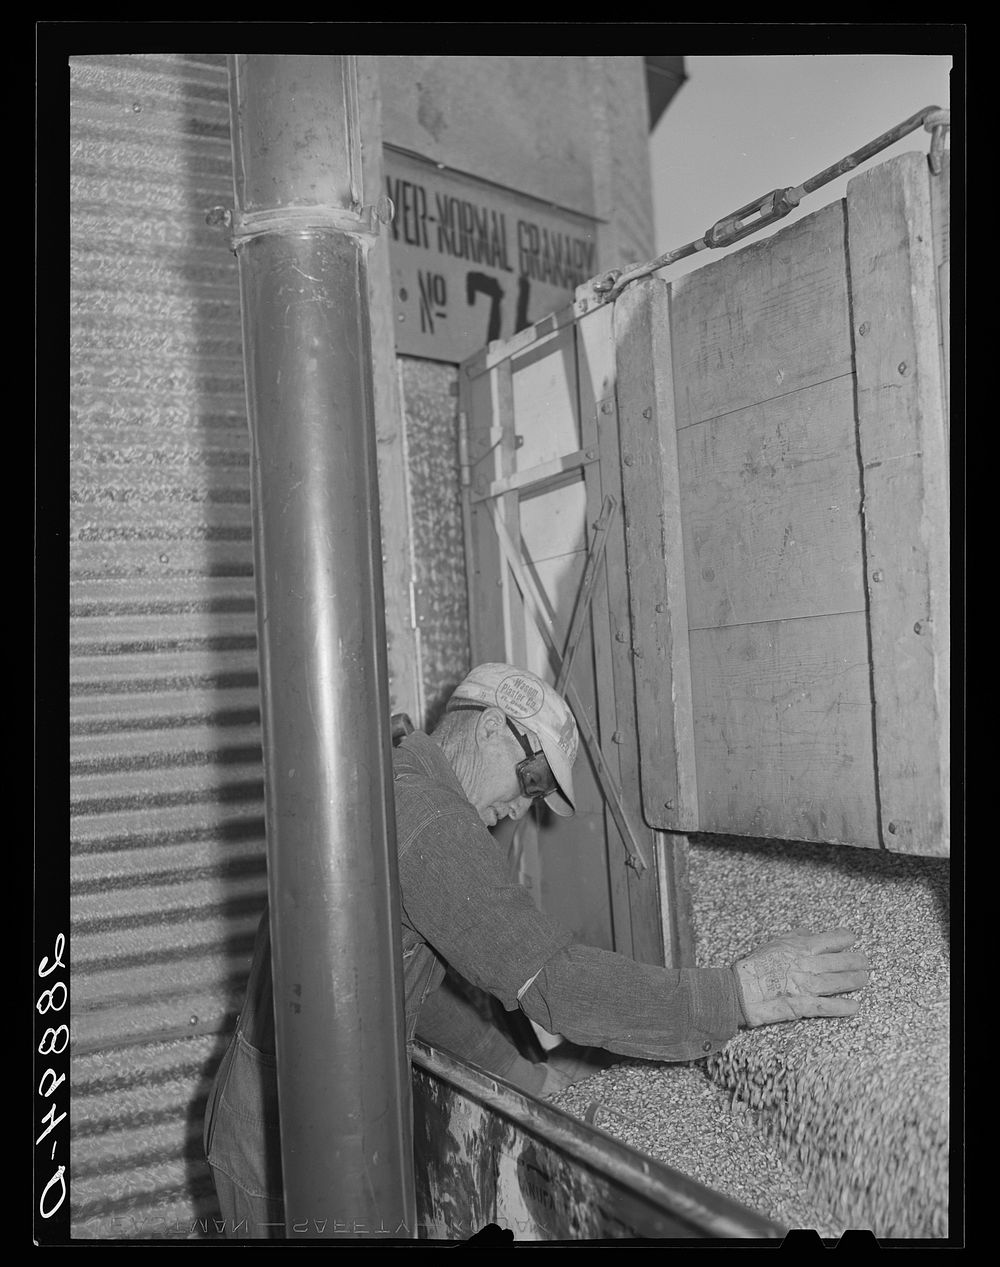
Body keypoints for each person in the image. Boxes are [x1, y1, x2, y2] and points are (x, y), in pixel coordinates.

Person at [203, 662, 869, 1237]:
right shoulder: (427, 817)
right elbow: (558, 983)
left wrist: (522, 1076)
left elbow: (409, 988)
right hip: (293, 1135)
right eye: (531, 780)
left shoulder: (396, 775)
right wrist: (741, 993)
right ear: (492, 725)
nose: (523, 810)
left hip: (279, 1111)